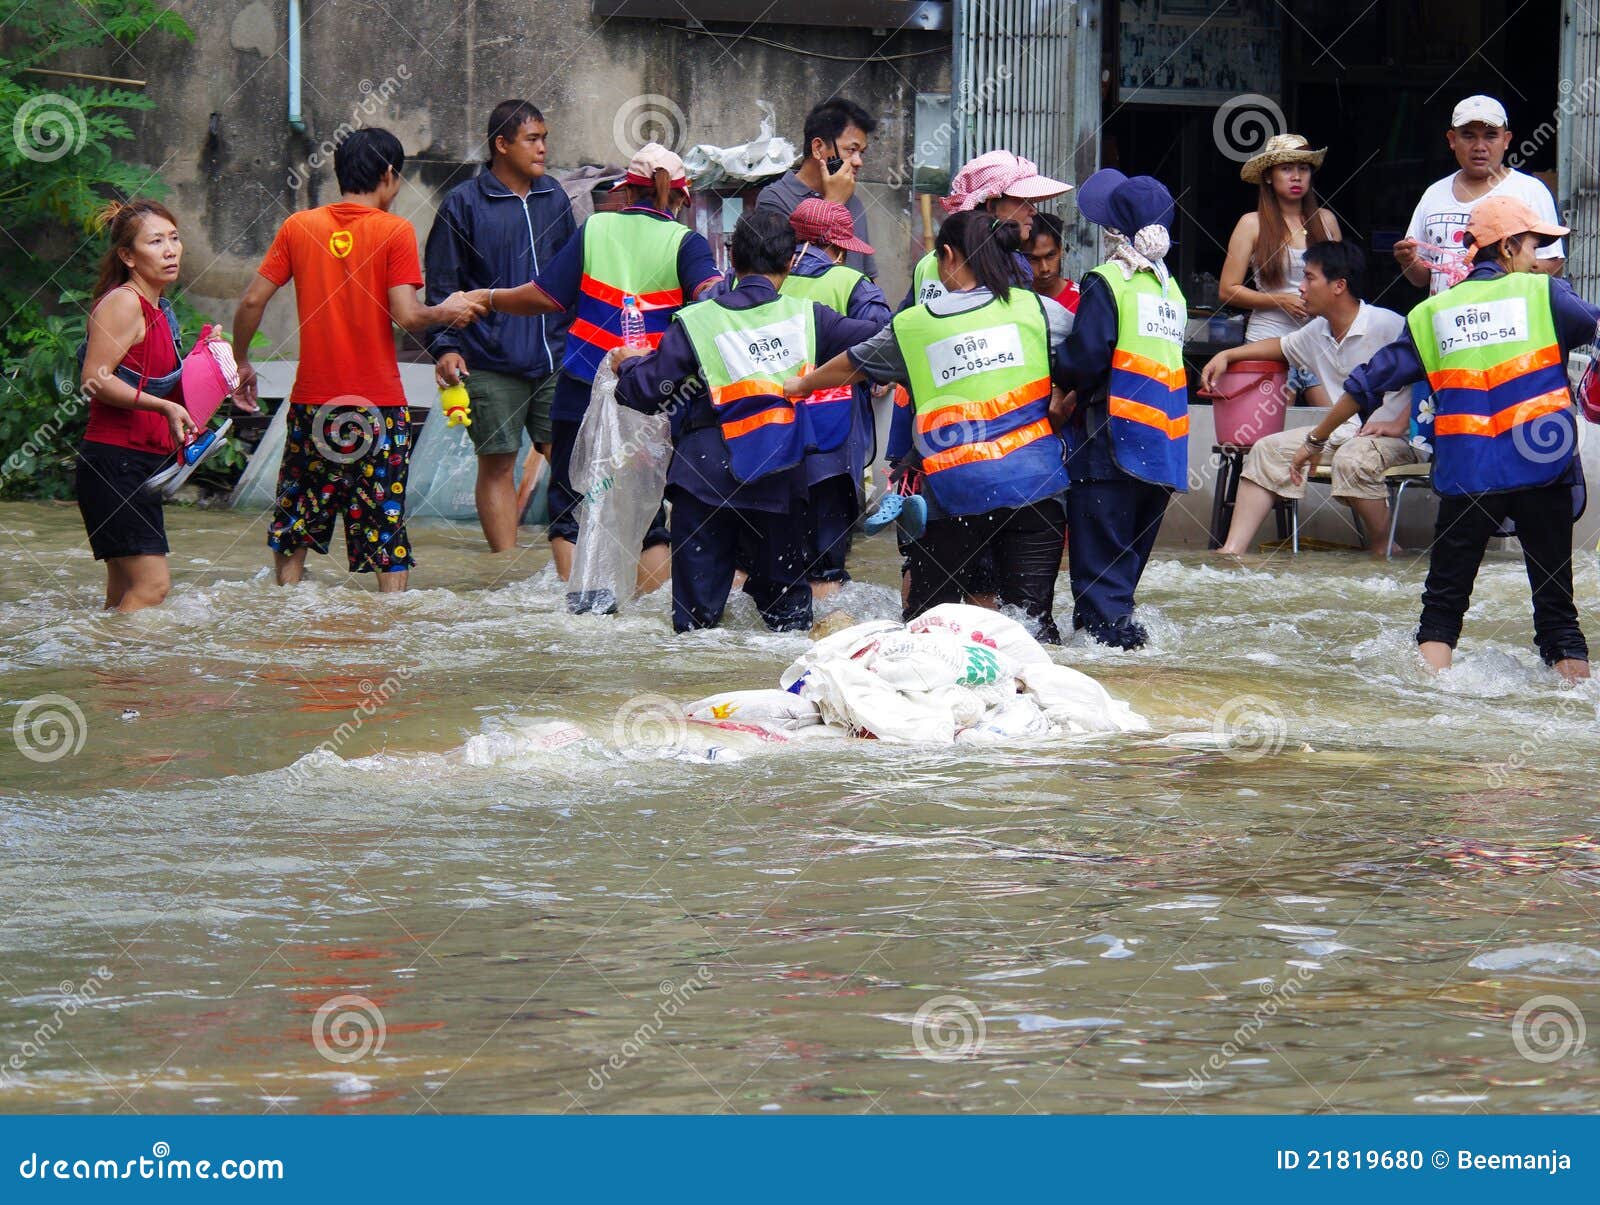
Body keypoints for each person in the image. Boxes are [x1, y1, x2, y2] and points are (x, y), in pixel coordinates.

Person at [1291, 198, 1599, 682]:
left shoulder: (1432, 312)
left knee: (1442, 607)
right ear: (1510, 245)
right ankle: (1574, 702)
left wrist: (1315, 439)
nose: (1541, 254)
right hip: (1543, 469)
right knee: (1557, 612)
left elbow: (1369, 381)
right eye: (1536, 243)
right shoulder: (1544, 294)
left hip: (1468, 475)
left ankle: (1431, 702)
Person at [786, 209, 1075, 641]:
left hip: (954, 495)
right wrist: (1063, 397)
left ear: (947, 256)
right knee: (1031, 629)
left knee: (927, 626)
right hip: (1036, 490)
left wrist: (800, 383)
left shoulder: (916, 324)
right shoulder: (1039, 310)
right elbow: (1094, 352)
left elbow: (853, 365)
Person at [231, 128, 482, 593]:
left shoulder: (299, 227)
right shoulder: (395, 231)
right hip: (377, 408)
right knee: (384, 534)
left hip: (313, 406)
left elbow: (251, 302)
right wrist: (445, 312)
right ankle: (389, 633)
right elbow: (408, 317)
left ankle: (285, 609)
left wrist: (241, 361)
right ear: (388, 174)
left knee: (296, 523)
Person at [609, 210, 881, 633]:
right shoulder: (810, 317)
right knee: (788, 623)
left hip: (702, 483)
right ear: (791, 262)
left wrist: (627, 366)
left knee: (696, 629)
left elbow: (645, 392)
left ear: (731, 259)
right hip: (779, 483)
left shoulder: (697, 320)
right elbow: (881, 343)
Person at [486, 143, 720, 594]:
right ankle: (645, 621)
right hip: (656, 394)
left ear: (626, 192)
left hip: (581, 385)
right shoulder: (685, 242)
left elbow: (546, 297)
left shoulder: (595, 228)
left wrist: (488, 298)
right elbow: (712, 296)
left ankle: (581, 610)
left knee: (570, 506)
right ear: (679, 198)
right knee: (649, 513)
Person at [1201, 242, 1422, 557]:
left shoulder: (1389, 324)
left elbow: (1433, 375)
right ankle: (1232, 551)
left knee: (1354, 457)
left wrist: (1400, 422)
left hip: (1399, 441)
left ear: (1339, 286)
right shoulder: (1317, 329)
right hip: (1345, 435)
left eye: (1308, 278)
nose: (1300, 289)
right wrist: (1227, 354)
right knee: (1267, 449)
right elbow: (1281, 346)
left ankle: (1384, 550)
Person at [424, 99, 576, 552]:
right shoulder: (463, 204)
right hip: (489, 359)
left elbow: (574, 273)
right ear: (502, 145)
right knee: (496, 462)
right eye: (532, 139)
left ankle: (576, 568)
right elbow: (443, 283)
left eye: (545, 138)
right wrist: (446, 347)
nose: (543, 148)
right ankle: (504, 570)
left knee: (567, 461)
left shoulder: (555, 196)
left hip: (555, 354)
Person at [1058, 169, 1188, 650]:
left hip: (1108, 444)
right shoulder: (1170, 290)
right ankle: (1130, 658)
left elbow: (1087, 358)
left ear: (1115, 229)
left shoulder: (1107, 281)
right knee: (1122, 582)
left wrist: (1054, 365)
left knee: (1100, 587)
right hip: (1162, 449)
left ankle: (1107, 672)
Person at [74, 199, 198, 612]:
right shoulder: (124, 302)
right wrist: (164, 409)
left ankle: (112, 674)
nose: (170, 250)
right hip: (115, 464)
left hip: (137, 465)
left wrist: (208, 360)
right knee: (152, 587)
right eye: (156, 241)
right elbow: (95, 379)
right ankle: (119, 670)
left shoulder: (161, 310)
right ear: (127, 256)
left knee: (121, 593)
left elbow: (154, 383)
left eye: (175, 238)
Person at [779, 199, 891, 601]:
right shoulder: (852, 284)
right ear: (840, 249)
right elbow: (885, 345)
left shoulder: (756, 280)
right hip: (830, 441)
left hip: (761, 437)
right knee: (825, 561)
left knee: (759, 558)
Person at [1394, 95, 1565, 295]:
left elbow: (1553, 264)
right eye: (1468, 135)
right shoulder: (1434, 194)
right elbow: (1421, 279)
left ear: (1506, 140)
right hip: (1448, 322)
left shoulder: (1530, 191)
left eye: (1491, 135)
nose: (1479, 146)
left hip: (1505, 323)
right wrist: (1409, 260)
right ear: (1452, 140)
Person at [904, 150, 1072, 308]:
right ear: (991, 206)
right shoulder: (1012, 264)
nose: (1033, 210)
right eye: (1024, 201)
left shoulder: (928, 262)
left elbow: (901, 325)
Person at [1219, 133, 1340, 344]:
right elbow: (1227, 290)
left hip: (1320, 342)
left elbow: (1342, 282)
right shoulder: (1251, 223)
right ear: (1268, 176)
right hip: (1267, 338)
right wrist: (1280, 300)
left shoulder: (1326, 220)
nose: (1296, 176)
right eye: (1286, 169)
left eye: (1303, 168)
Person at [756, 98, 878, 277]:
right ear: (818, 148)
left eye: (862, 152)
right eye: (851, 150)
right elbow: (790, 276)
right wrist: (833, 203)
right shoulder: (775, 199)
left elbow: (867, 278)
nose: (858, 161)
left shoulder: (854, 203)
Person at [1026, 212, 1080, 313]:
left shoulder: (1082, 300)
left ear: (1060, 249)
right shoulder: (1016, 301)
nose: (1044, 268)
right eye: (1034, 259)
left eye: (1050, 256)